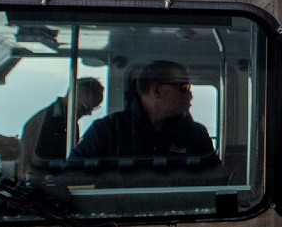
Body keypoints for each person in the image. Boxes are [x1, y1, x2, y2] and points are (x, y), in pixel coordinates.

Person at [70, 61, 219, 171]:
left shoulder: (196, 135)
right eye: (184, 87)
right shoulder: (106, 131)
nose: (190, 95)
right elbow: (71, 177)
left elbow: (218, 182)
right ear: (157, 91)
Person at [20, 77, 104, 177]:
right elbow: (40, 160)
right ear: (75, 95)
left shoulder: (66, 119)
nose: (89, 113)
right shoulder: (50, 120)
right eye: (87, 107)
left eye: (94, 108)